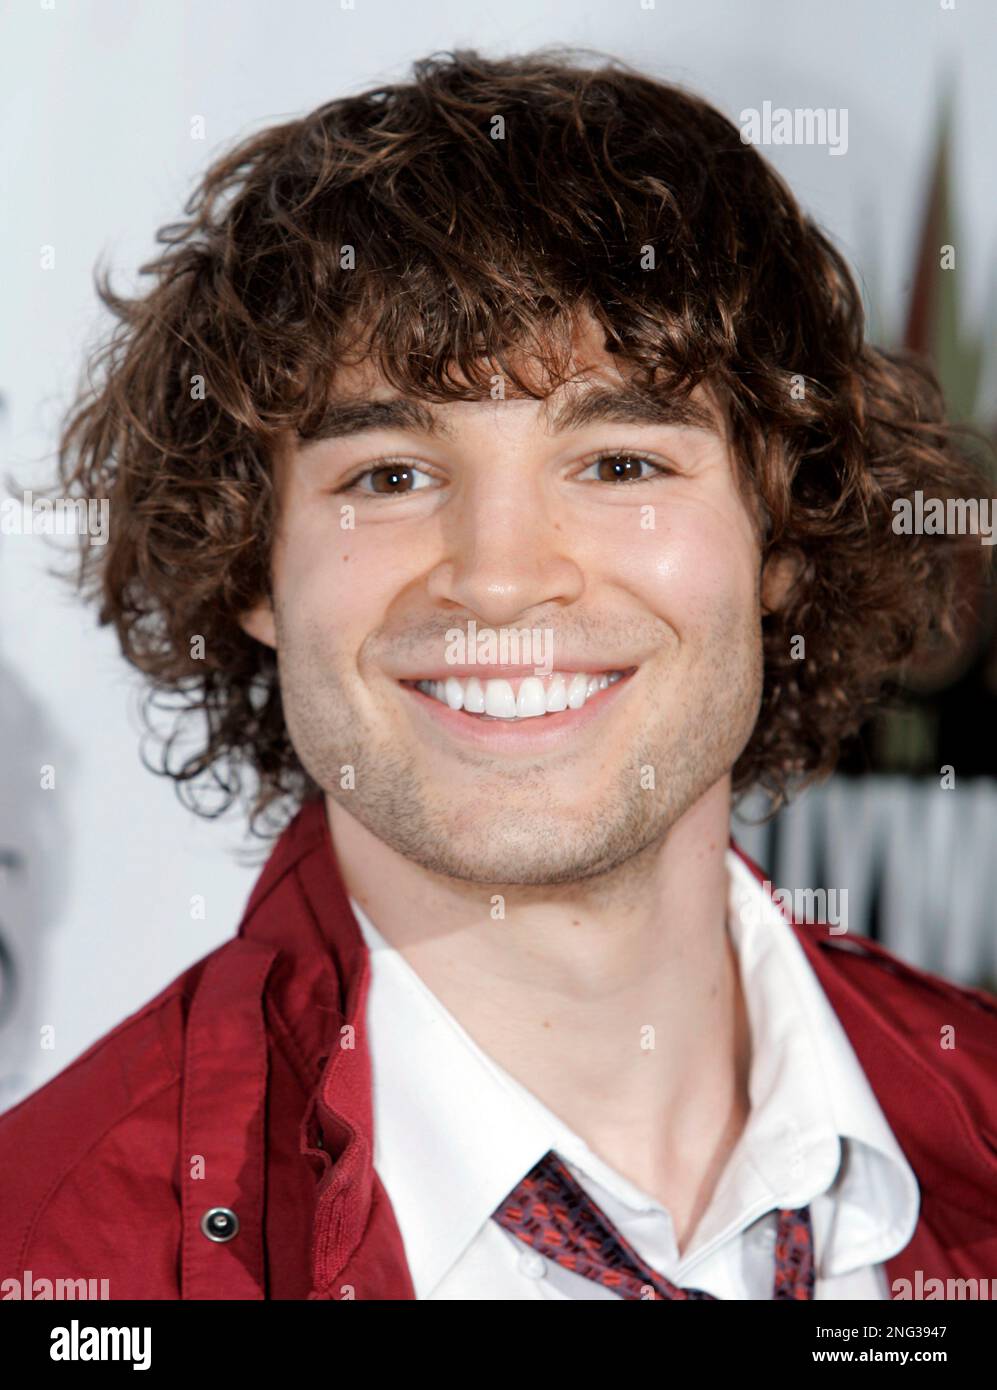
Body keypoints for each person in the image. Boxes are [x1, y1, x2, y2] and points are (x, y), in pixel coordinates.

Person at [1, 47, 995, 1303]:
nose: (504, 576)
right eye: (391, 476)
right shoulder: (56, 1257)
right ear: (252, 565)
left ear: (781, 538)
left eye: (621, 464)